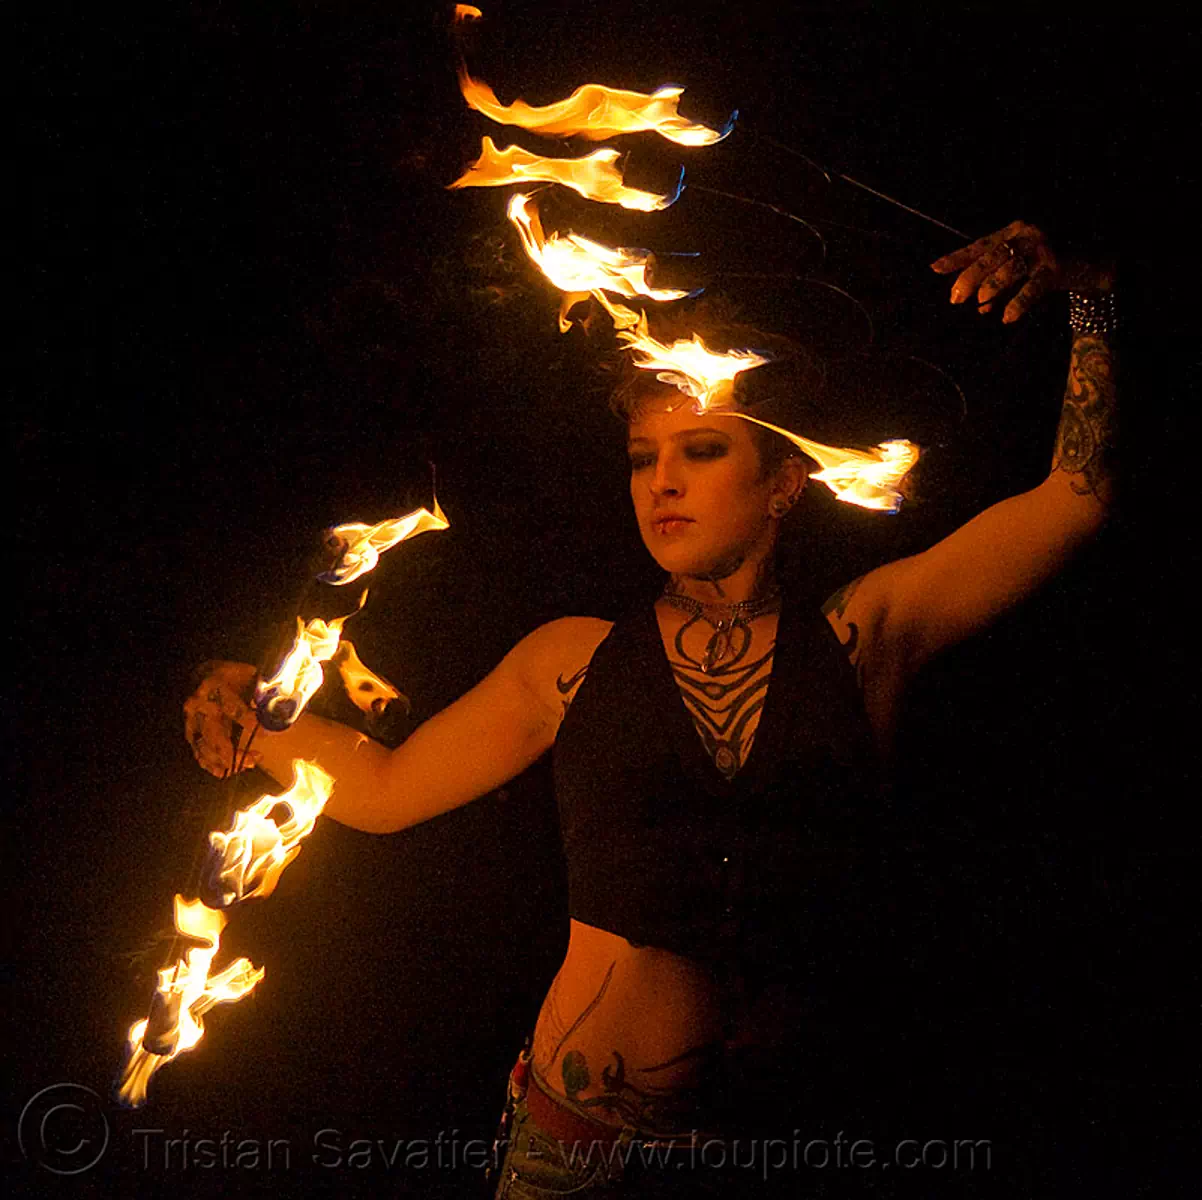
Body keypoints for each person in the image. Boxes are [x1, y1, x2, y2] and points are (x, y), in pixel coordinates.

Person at [185, 220, 1118, 1196]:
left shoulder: (863, 637)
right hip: (568, 1149)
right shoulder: (568, 661)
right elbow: (380, 787)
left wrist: (1090, 291)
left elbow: (1075, 497)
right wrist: (253, 724)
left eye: (701, 450)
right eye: (642, 456)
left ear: (784, 482)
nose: (661, 481)